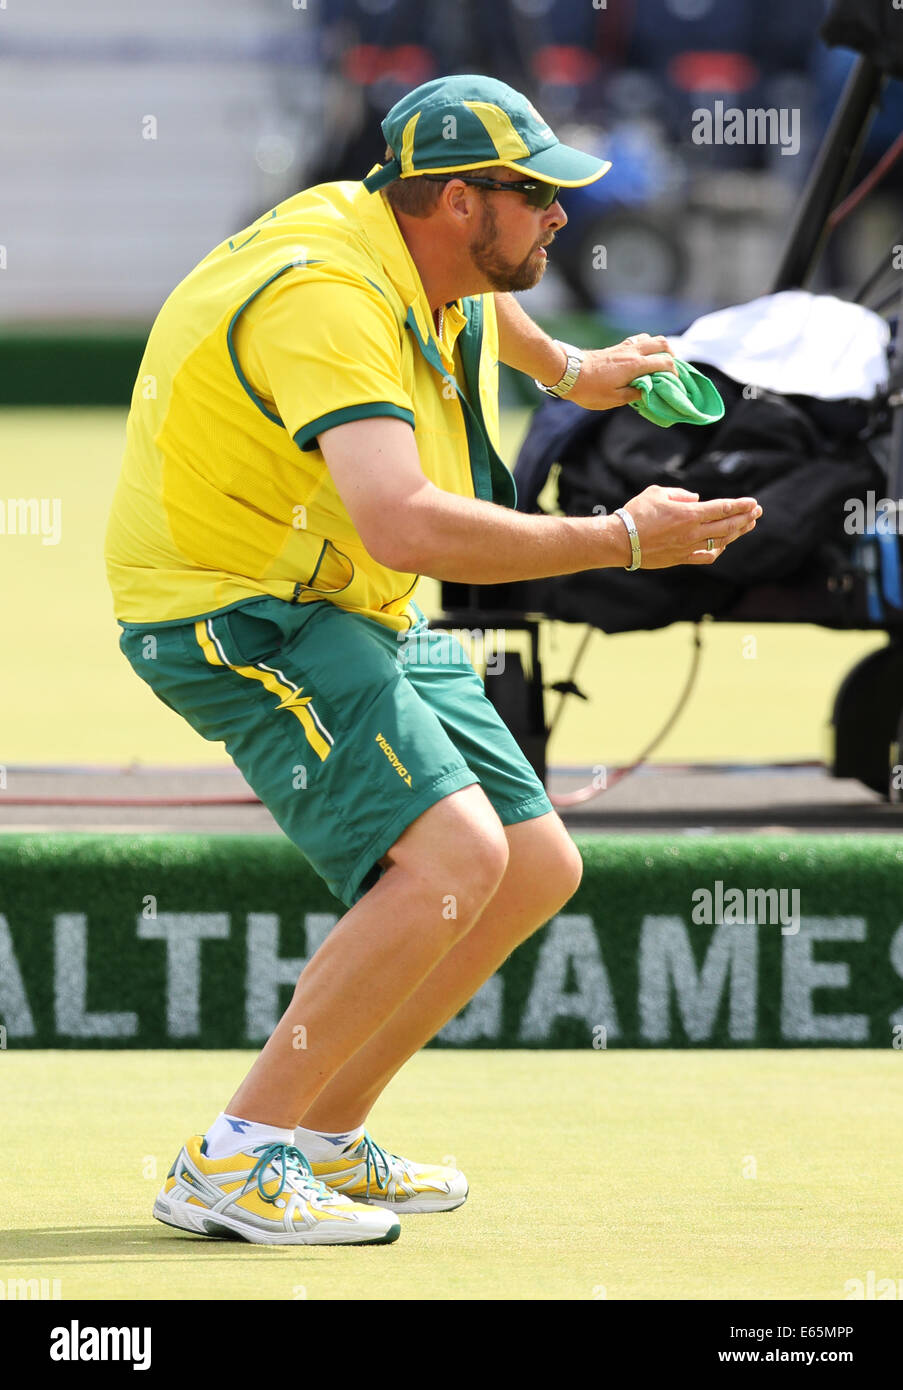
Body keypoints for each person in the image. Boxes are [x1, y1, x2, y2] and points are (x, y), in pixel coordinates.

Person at [105, 74, 760, 1247]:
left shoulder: (414, 242)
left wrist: (568, 368)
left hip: (352, 598)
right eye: (539, 194)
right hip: (235, 609)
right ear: (458, 201)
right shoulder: (328, 300)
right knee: (453, 852)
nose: (562, 214)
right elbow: (405, 521)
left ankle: (319, 1139)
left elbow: (484, 311)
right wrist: (621, 540)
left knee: (531, 865)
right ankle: (230, 1159)